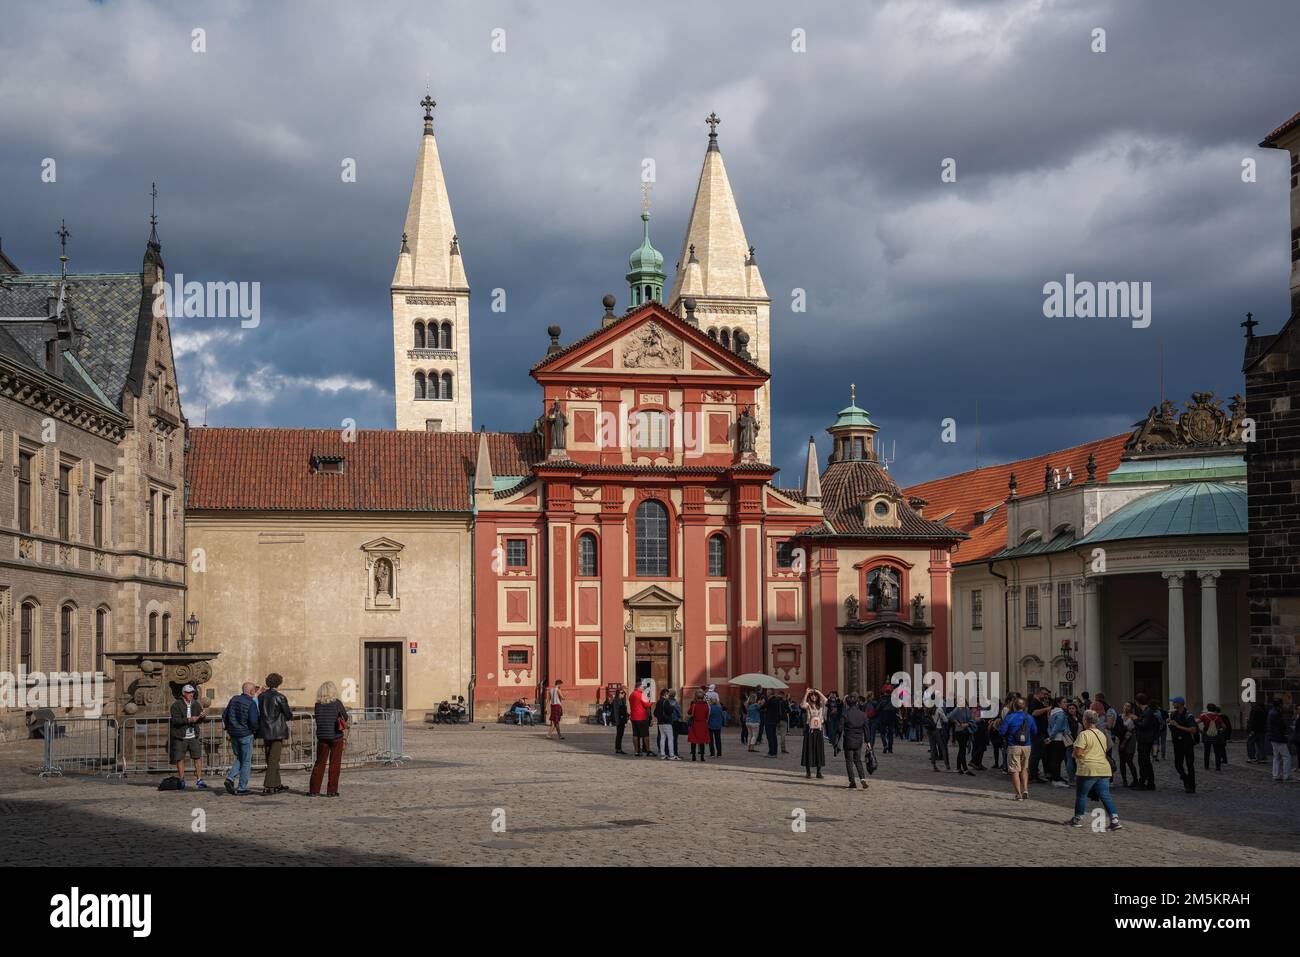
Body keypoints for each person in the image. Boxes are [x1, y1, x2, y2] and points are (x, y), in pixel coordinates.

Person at [1069, 710, 1122, 830]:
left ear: (1085, 720)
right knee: (1105, 796)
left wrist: (1074, 754)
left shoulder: (1084, 734)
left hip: (1088, 769)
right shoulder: (1101, 734)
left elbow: (1078, 753)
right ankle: (1115, 820)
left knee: (1081, 795)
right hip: (1103, 768)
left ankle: (1077, 818)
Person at [309, 681, 348, 797]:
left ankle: (314, 790)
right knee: (334, 764)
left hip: (322, 737)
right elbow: (345, 717)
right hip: (336, 735)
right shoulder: (337, 703)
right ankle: (332, 791)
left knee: (319, 763)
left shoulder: (318, 705)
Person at [257, 673, 293, 795]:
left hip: (265, 730)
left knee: (270, 758)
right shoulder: (280, 697)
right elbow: (288, 714)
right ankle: (269, 785)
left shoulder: (261, 697)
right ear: (279, 683)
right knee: (274, 759)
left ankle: (276, 783)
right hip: (277, 731)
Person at [221, 681, 259, 795]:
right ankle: (241, 787)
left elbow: (224, 715)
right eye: (254, 690)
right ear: (251, 691)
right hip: (245, 734)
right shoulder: (251, 703)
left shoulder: (234, 699)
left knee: (239, 758)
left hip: (234, 734)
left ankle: (230, 778)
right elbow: (253, 721)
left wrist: (229, 727)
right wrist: (254, 730)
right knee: (246, 761)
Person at [169, 684, 209, 790]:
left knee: (197, 757)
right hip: (180, 736)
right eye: (188, 692)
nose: (191, 694)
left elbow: (200, 720)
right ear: (183, 693)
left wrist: (202, 716)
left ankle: (199, 779)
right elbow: (175, 720)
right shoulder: (176, 705)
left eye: (192, 692)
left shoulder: (196, 704)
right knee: (180, 758)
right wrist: (188, 720)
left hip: (193, 735)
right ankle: (182, 780)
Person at [1001, 697, 1036, 800]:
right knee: (1024, 768)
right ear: (1024, 706)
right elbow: (1035, 731)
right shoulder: (1029, 717)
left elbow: (1002, 732)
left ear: (1014, 706)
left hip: (1013, 745)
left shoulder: (1009, 717)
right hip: (1027, 745)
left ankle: (1018, 794)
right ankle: (1025, 789)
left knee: (1014, 770)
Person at [1167, 697, 1198, 794]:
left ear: (1180, 704)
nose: (1173, 704)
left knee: (1189, 764)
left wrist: (1178, 726)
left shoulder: (1188, 715)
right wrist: (1170, 723)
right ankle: (1186, 779)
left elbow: (1193, 730)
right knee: (1178, 764)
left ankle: (1191, 786)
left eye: (1174, 702)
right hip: (1177, 742)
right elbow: (1173, 728)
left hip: (1187, 742)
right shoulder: (1173, 714)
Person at [840, 693, 871, 790]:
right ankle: (862, 778)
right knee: (858, 760)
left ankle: (852, 781)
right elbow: (866, 729)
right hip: (858, 741)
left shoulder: (845, 714)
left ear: (847, 703)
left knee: (849, 762)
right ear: (857, 703)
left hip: (848, 740)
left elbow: (839, 728)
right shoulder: (863, 714)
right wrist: (868, 741)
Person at [800, 689, 828, 779]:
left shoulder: (821, 704)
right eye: (812, 695)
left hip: (819, 730)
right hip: (810, 730)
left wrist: (818, 691)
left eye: (815, 695)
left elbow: (826, 700)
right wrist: (806, 693)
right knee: (808, 749)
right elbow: (802, 705)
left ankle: (818, 771)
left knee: (818, 750)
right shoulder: (808, 705)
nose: (813, 697)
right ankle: (808, 771)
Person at [1027, 687, 1053, 782]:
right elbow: (1034, 713)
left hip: (1040, 731)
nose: (1046, 696)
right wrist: (1047, 708)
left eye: (1047, 694)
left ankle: (1034, 775)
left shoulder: (1039, 702)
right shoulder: (1034, 702)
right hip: (1036, 732)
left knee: (1038, 754)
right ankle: (1032, 776)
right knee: (1035, 754)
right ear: (1038, 693)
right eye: (1044, 694)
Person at [1134, 693, 1158, 789]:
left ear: (1138, 702)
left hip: (1145, 740)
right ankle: (1150, 783)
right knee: (1145, 762)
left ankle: (1144, 783)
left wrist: (1135, 720)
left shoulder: (1148, 712)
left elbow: (1144, 725)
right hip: (1144, 739)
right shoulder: (1146, 711)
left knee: (1143, 762)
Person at [1045, 697, 1071, 787]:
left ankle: (1056, 778)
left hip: (1055, 739)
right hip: (1059, 739)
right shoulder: (1060, 713)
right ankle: (1056, 779)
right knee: (1057, 760)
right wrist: (1051, 737)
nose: (1066, 704)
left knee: (1055, 759)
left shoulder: (1052, 712)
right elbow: (1057, 727)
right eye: (1064, 702)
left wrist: (1050, 737)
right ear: (1059, 704)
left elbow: (1049, 727)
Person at [1267, 699, 1293, 782]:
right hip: (1278, 738)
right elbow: (1281, 726)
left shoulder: (1271, 712)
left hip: (1273, 737)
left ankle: (1276, 775)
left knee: (1277, 757)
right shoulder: (1277, 713)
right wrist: (1284, 733)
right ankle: (1287, 775)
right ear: (1279, 705)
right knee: (1287, 756)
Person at [947, 703, 975, 776]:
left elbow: (971, 720)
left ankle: (958, 767)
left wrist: (967, 724)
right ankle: (965, 769)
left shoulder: (967, 709)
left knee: (961, 750)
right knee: (962, 750)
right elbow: (949, 716)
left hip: (966, 731)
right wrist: (956, 722)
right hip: (959, 732)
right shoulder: (957, 709)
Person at [1199, 703, 1227, 771]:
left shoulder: (1204, 716)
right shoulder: (1217, 717)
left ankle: (1206, 766)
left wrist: (1200, 731)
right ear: (1214, 709)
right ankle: (1218, 766)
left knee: (1207, 751)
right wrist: (1220, 731)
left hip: (1206, 735)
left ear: (1207, 708)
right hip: (1216, 735)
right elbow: (1224, 727)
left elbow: (1196, 722)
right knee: (1217, 752)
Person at [1117, 702, 1139, 787]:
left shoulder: (1134, 717)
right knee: (1122, 761)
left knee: (1129, 760)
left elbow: (1133, 729)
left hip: (1130, 739)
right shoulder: (1120, 716)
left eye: (1128, 706)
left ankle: (1135, 780)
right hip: (1122, 738)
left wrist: (1125, 741)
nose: (1126, 707)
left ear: (1131, 708)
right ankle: (1124, 780)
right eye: (1125, 705)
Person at [629, 680, 652, 757]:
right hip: (641, 717)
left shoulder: (632, 694)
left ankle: (636, 751)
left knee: (635, 735)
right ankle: (648, 750)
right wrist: (650, 702)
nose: (643, 688)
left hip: (633, 717)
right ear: (639, 687)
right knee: (645, 735)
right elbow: (647, 705)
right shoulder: (641, 695)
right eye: (642, 687)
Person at [686, 690, 711, 762]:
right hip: (703, 724)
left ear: (696, 697)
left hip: (694, 724)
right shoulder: (706, 706)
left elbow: (689, 712)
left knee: (693, 741)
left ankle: (693, 756)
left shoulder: (694, 705)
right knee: (702, 742)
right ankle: (702, 757)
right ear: (703, 697)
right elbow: (707, 715)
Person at [654, 689, 677, 760]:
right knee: (670, 738)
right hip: (667, 722)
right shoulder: (666, 701)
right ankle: (671, 755)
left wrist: (659, 716)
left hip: (660, 723)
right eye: (668, 695)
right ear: (665, 694)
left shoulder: (658, 702)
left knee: (662, 738)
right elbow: (669, 711)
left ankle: (662, 754)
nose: (668, 696)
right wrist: (672, 707)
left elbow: (655, 713)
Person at [924, 706, 950, 772]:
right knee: (942, 747)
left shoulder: (927, 709)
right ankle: (947, 764)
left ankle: (934, 765)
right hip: (937, 729)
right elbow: (945, 720)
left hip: (929, 729)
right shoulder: (938, 709)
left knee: (932, 748)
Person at [763, 690, 784, 758]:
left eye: (767, 693)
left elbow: (763, 707)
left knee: (770, 737)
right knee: (774, 737)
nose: (766, 695)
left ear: (769, 694)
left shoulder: (770, 700)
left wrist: (762, 703)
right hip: (775, 721)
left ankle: (771, 752)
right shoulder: (777, 700)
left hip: (769, 720)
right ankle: (775, 752)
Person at [825, 691, 843, 757]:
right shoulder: (829, 702)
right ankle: (835, 745)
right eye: (831, 695)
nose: (833, 696)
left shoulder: (839, 701)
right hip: (831, 719)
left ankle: (836, 746)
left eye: (834, 694)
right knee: (831, 732)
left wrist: (837, 699)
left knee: (836, 732)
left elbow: (841, 705)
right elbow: (825, 704)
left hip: (837, 719)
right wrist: (828, 698)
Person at [612, 689, 629, 754]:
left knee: (620, 735)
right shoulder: (616, 700)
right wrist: (617, 721)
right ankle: (618, 749)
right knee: (619, 735)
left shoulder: (621, 700)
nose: (623, 694)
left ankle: (618, 748)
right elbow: (616, 712)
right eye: (622, 693)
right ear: (618, 693)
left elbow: (623, 711)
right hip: (619, 720)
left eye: (624, 693)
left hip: (621, 720)